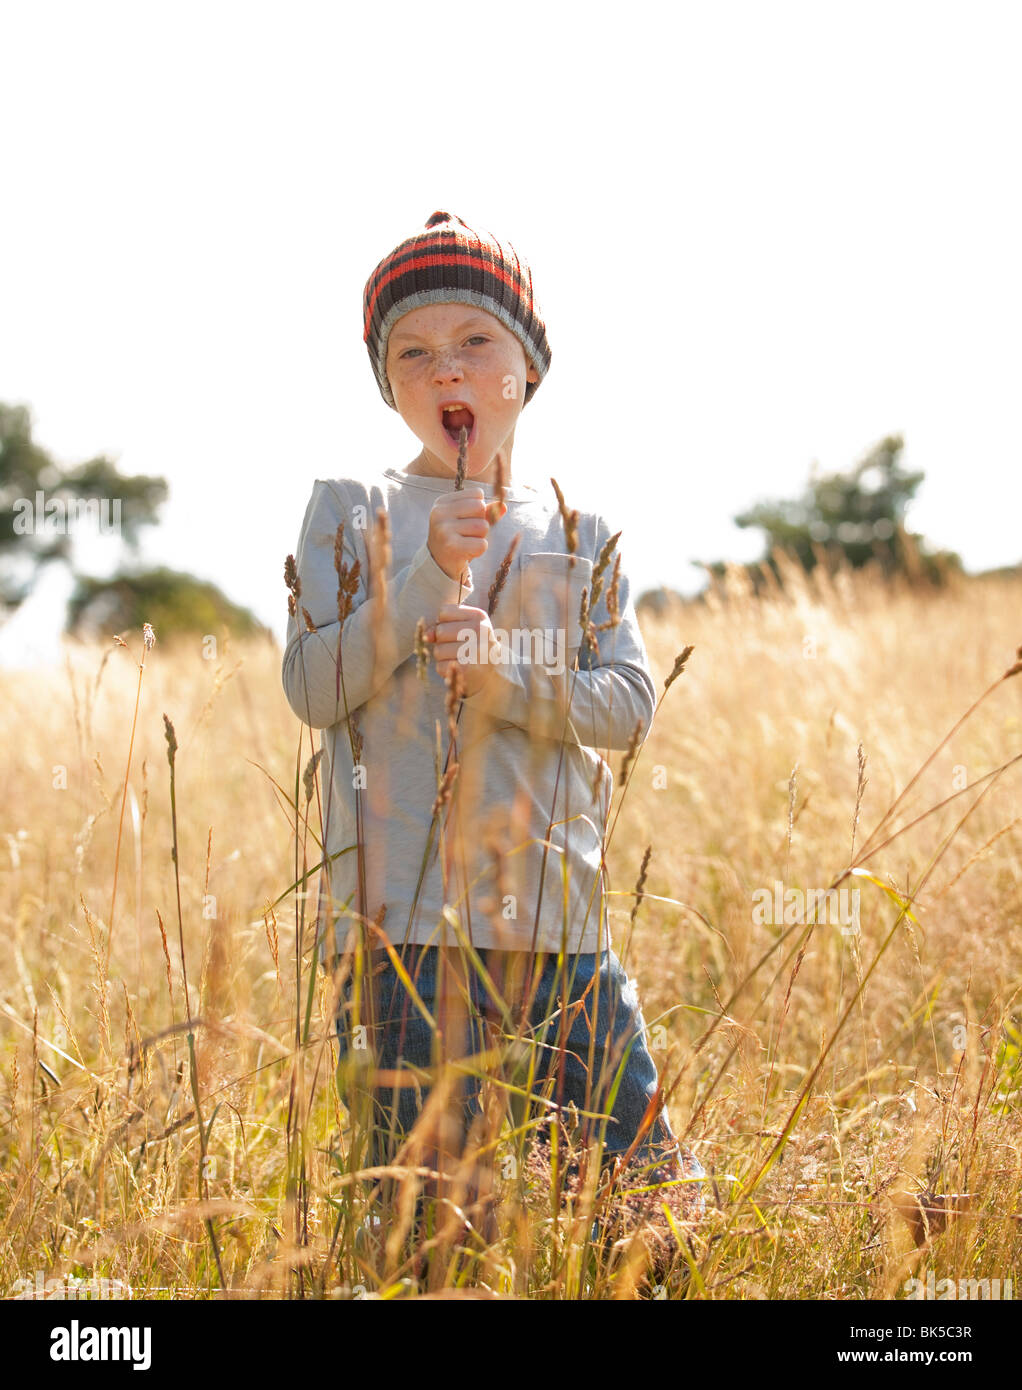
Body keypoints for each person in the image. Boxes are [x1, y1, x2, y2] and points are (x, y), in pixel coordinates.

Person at [281, 210, 705, 1265]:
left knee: (639, 1201)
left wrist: (505, 677)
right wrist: (422, 575)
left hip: (561, 922)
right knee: (432, 1219)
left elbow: (628, 701)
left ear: (527, 366)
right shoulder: (352, 506)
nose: (446, 371)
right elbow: (309, 687)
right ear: (388, 384)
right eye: (411, 354)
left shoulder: (577, 529)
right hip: (404, 929)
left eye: (474, 342)